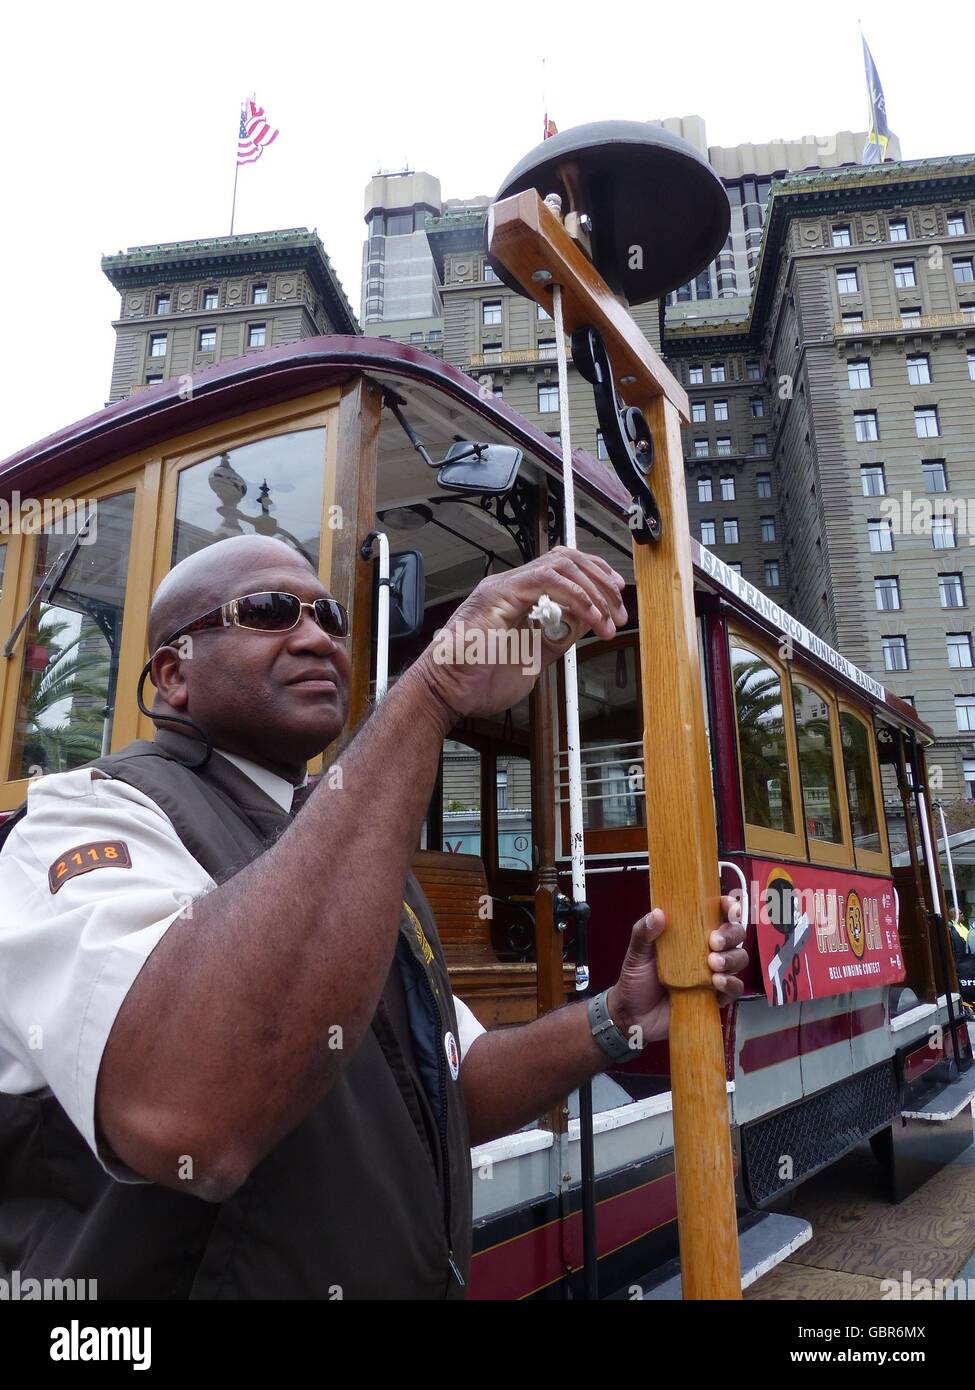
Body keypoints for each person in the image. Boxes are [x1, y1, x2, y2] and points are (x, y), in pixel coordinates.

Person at [0, 535, 746, 1299]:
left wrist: (613, 1018)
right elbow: (193, 1118)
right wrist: (433, 691)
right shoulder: (85, 819)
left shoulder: (352, 844)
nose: (317, 635)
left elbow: (446, 1082)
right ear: (173, 673)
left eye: (326, 615)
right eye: (267, 611)